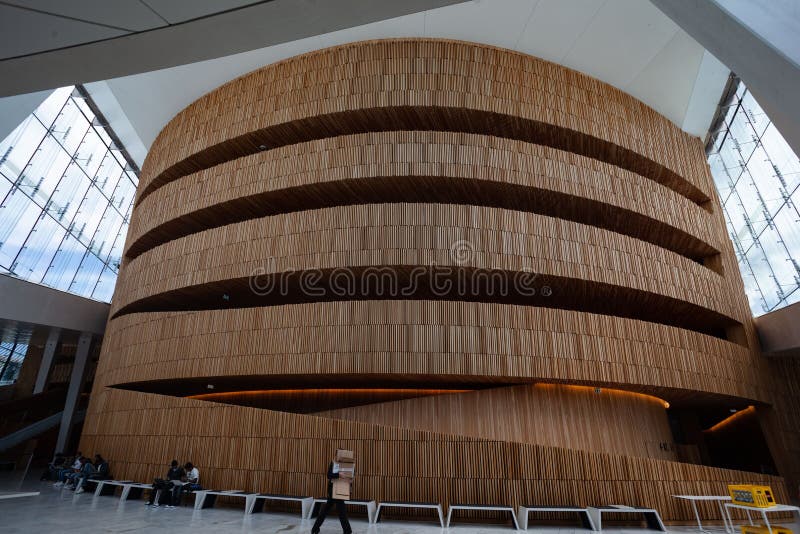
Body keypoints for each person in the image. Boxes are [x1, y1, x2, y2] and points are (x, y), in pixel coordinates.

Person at [311, 459, 352, 534]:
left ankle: (315, 529)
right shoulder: (334, 463)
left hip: (341, 490)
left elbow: (350, 476)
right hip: (333, 491)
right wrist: (339, 475)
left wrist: (350, 483)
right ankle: (347, 531)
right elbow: (329, 475)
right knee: (341, 511)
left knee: (326, 510)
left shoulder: (348, 464)